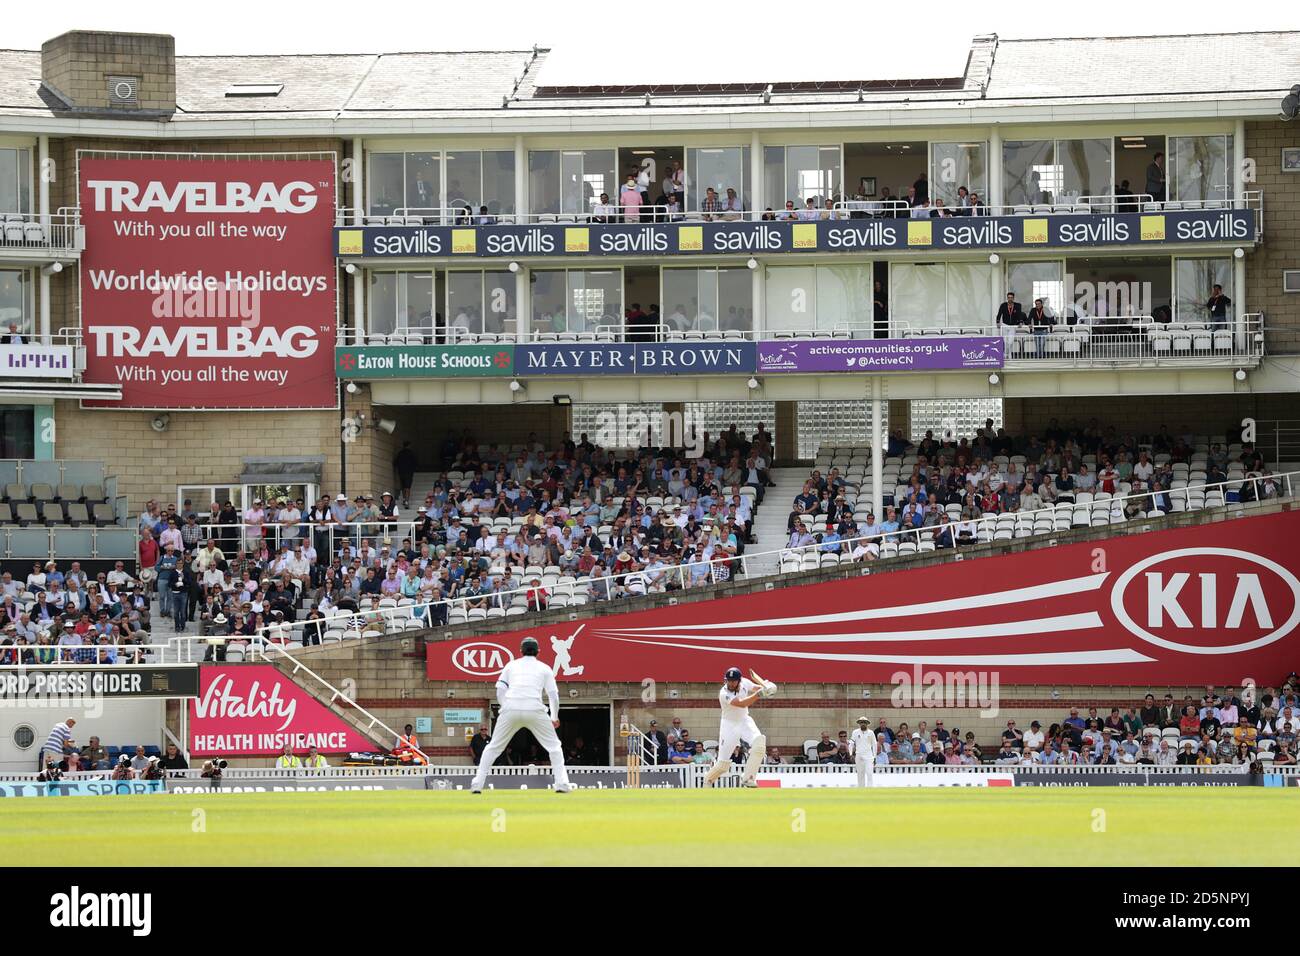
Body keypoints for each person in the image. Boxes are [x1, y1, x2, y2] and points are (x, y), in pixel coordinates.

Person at [471, 636, 572, 793]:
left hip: (511, 708)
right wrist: (554, 717)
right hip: (535, 709)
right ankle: (562, 784)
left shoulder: (511, 666)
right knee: (554, 747)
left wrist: (506, 708)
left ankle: (477, 784)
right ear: (538, 652)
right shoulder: (545, 668)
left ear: (520, 651)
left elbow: (500, 691)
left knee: (493, 747)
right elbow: (553, 696)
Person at [704, 666, 771, 788]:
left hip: (745, 720)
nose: (730, 683)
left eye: (733, 681)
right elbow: (741, 703)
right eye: (728, 680)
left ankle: (748, 778)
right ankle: (708, 779)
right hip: (729, 725)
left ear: (739, 680)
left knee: (759, 745)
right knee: (723, 765)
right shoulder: (724, 693)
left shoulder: (744, 681)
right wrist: (760, 693)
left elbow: (756, 687)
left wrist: (767, 686)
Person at [850, 715, 878, 788]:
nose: (863, 724)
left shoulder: (871, 732)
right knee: (860, 774)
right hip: (859, 755)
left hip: (868, 755)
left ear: (867, 723)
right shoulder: (855, 732)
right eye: (861, 722)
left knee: (869, 773)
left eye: (864, 722)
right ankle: (861, 789)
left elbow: (874, 745)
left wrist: (875, 757)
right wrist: (850, 754)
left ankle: (870, 789)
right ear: (859, 723)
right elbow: (851, 743)